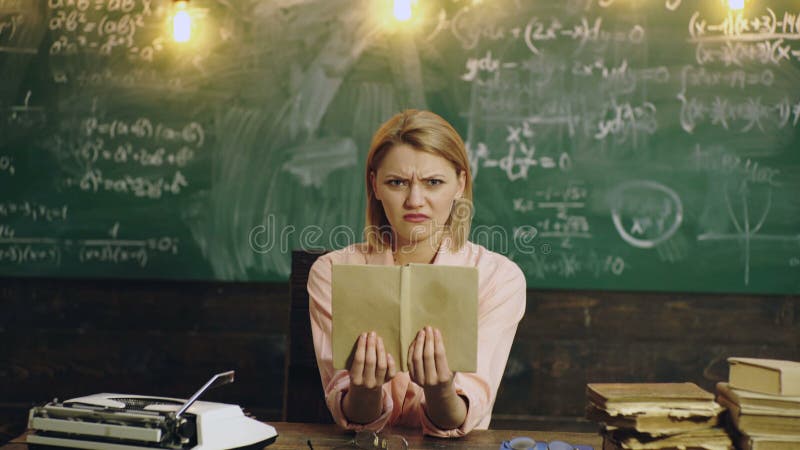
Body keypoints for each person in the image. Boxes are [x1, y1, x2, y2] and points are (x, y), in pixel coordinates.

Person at [307, 109, 526, 437]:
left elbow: (463, 413)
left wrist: (440, 391)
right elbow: (352, 414)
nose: (415, 200)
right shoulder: (333, 272)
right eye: (397, 182)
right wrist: (364, 390)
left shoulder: (498, 279)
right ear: (375, 186)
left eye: (433, 182)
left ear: (459, 185)